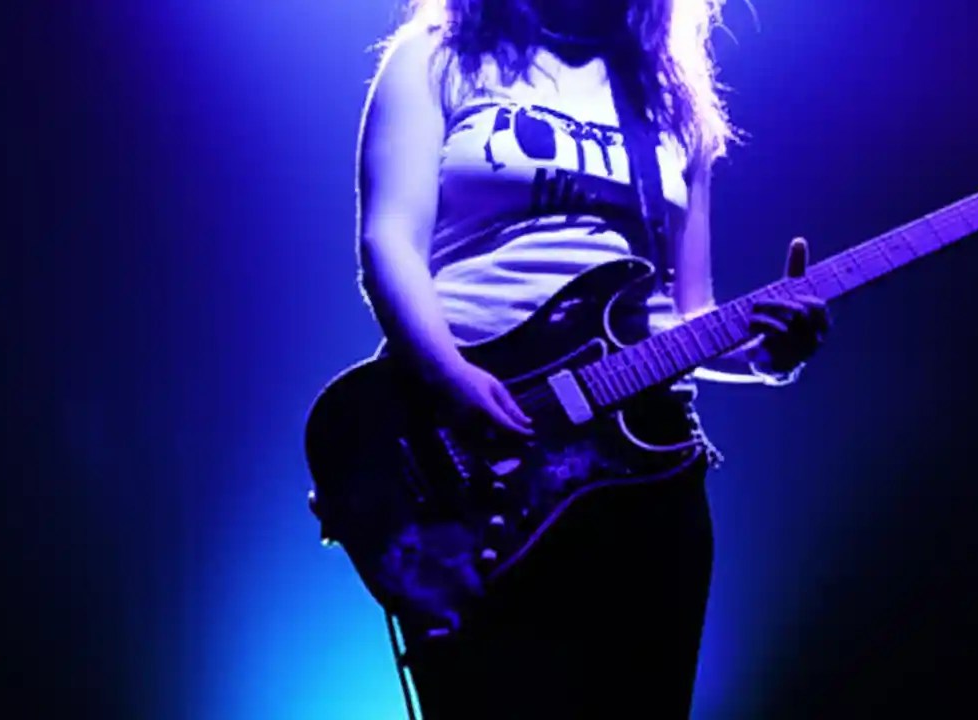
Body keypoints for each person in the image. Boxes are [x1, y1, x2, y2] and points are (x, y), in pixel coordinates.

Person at [350, 0, 830, 717]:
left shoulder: (672, 100)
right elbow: (389, 242)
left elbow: (688, 319)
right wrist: (450, 375)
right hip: (472, 458)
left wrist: (768, 353)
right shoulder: (434, 55)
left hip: (643, 469)